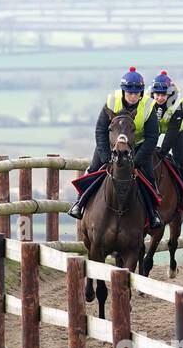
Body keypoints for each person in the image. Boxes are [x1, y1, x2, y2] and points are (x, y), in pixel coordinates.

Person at [68, 67, 162, 228]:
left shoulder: (148, 105)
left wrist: (138, 160)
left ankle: (153, 215)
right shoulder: (112, 101)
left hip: (137, 146)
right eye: (130, 93)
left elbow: (153, 136)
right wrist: (106, 156)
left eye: (137, 93)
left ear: (141, 92)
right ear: (123, 91)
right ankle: (79, 203)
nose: (133, 96)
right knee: (93, 169)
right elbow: (100, 130)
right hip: (111, 146)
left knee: (149, 177)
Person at [150, 70, 183, 208]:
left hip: (176, 130)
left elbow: (172, 133)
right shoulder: (145, 100)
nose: (160, 98)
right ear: (152, 93)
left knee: (179, 158)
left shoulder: (177, 103)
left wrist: (162, 152)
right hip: (155, 128)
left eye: (163, 95)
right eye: (157, 94)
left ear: (169, 93)